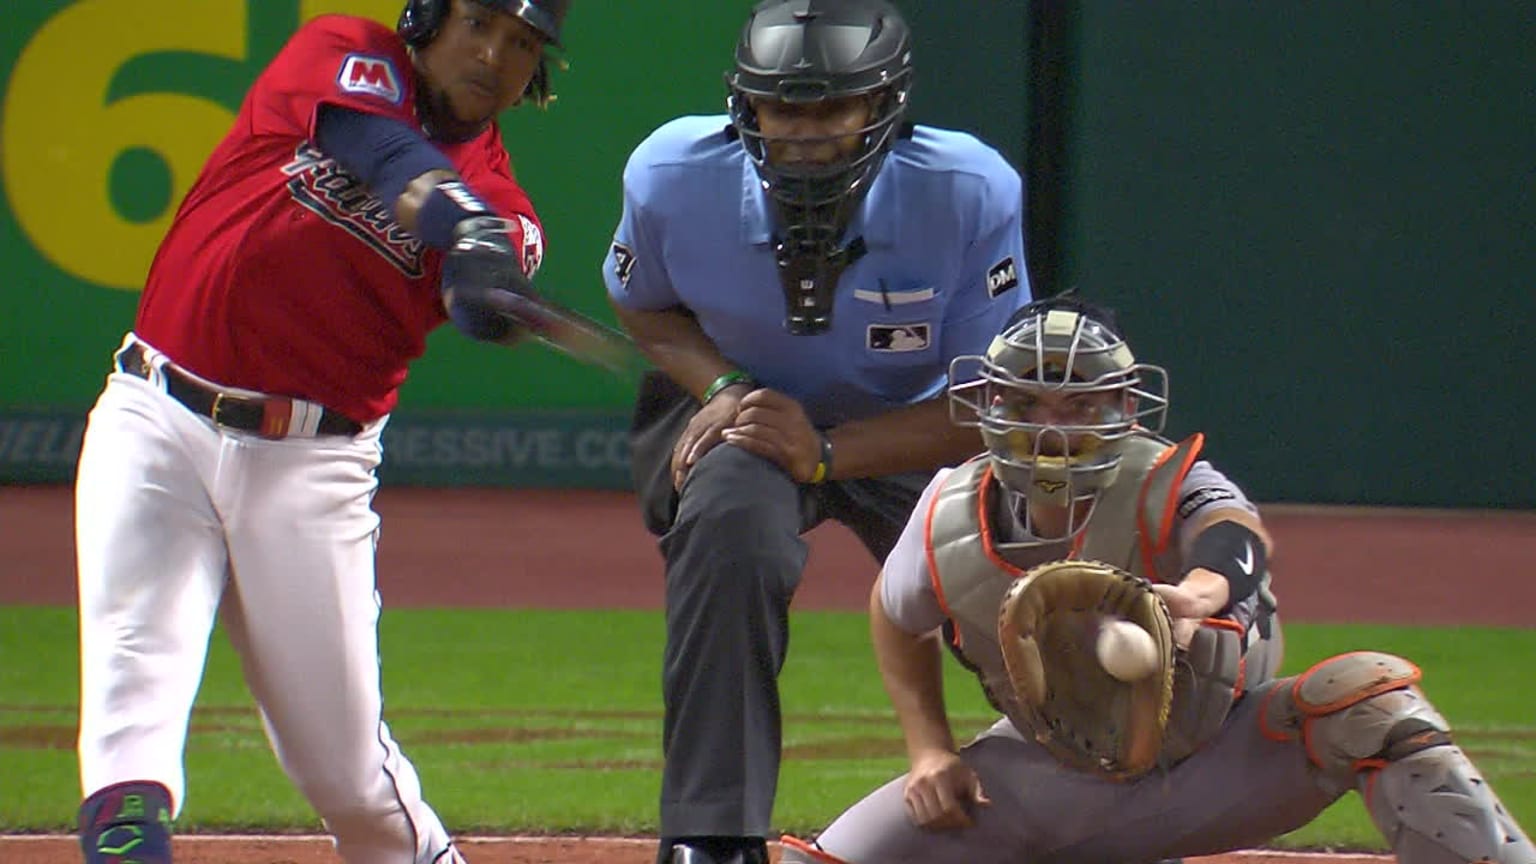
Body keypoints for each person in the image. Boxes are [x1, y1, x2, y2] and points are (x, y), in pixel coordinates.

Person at [778, 295, 1536, 864]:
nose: (1052, 425)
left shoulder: (1170, 483)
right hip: (1050, 778)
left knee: (1367, 701)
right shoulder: (946, 511)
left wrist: (1198, 596)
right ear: (988, 405)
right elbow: (893, 614)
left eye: (1079, 404)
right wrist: (930, 750)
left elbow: (1238, 543)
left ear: (1124, 408)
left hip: (1217, 763)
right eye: (1027, 402)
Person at [72, 2, 569, 862]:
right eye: (478, 23)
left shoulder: (507, 211)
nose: (494, 54)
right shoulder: (345, 50)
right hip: (155, 416)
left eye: (522, 43)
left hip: (309, 468)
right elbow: (378, 149)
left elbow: (483, 273)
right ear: (426, 18)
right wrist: (464, 227)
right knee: (129, 731)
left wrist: (484, 286)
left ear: (537, 74)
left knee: (351, 782)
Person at [599, 1, 1031, 861]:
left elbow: (987, 402)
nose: (800, 134)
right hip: (745, 416)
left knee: (1021, 593)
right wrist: (723, 387)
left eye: (828, 109)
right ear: (744, 106)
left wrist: (828, 452)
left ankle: (1098, 788)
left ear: (881, 107)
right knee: (728, 527)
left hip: (906, 427)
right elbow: (642, 308)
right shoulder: (668, 175)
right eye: (781, 109)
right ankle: (712, 839)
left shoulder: (971, 190)